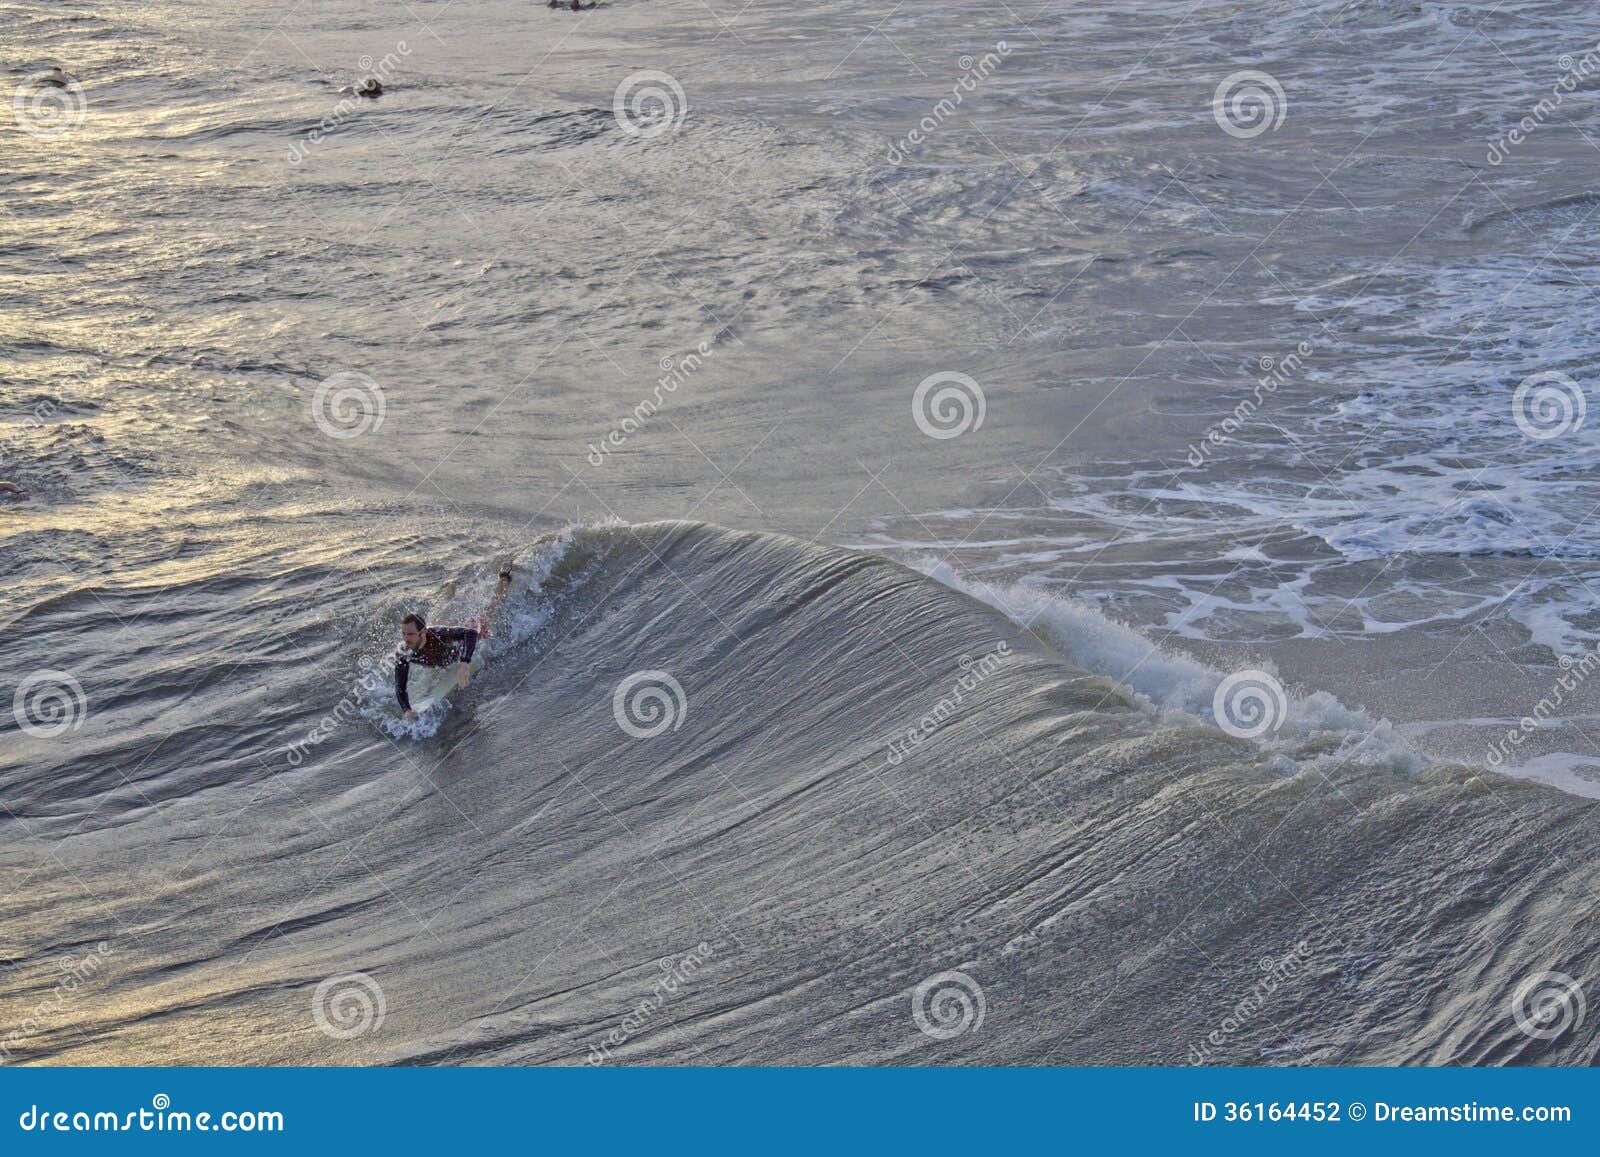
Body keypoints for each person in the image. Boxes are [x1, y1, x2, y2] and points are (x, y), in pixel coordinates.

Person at [393, 567, 517, 717]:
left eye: (411, 634)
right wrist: (407, 709)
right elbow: (400, 686)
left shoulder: (436, 634)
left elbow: (470, 634)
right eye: (404, 634)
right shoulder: (403, 652)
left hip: (462, 645)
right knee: (444, 615)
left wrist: (464, 664)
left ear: (422, 632)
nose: (406, 639)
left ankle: (504, 577)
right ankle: (450, 587)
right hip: (439, 653)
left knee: (490, 612)